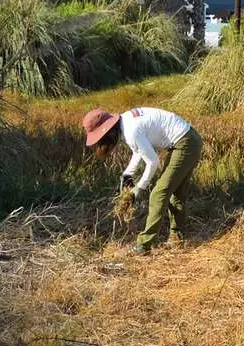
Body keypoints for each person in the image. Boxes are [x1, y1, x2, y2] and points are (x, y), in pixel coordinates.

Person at [82, 105, 203, 254]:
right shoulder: (126, 123)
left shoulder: (131, 130)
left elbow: (153, 162)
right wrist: (127, 174)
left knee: (159, 194)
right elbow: (139, 150)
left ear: (108, 131)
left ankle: (143, 245)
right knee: (175, 192)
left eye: (102, 139)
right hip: (187, 140)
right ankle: (177, 237)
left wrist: (139, 188)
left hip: (185, 143)